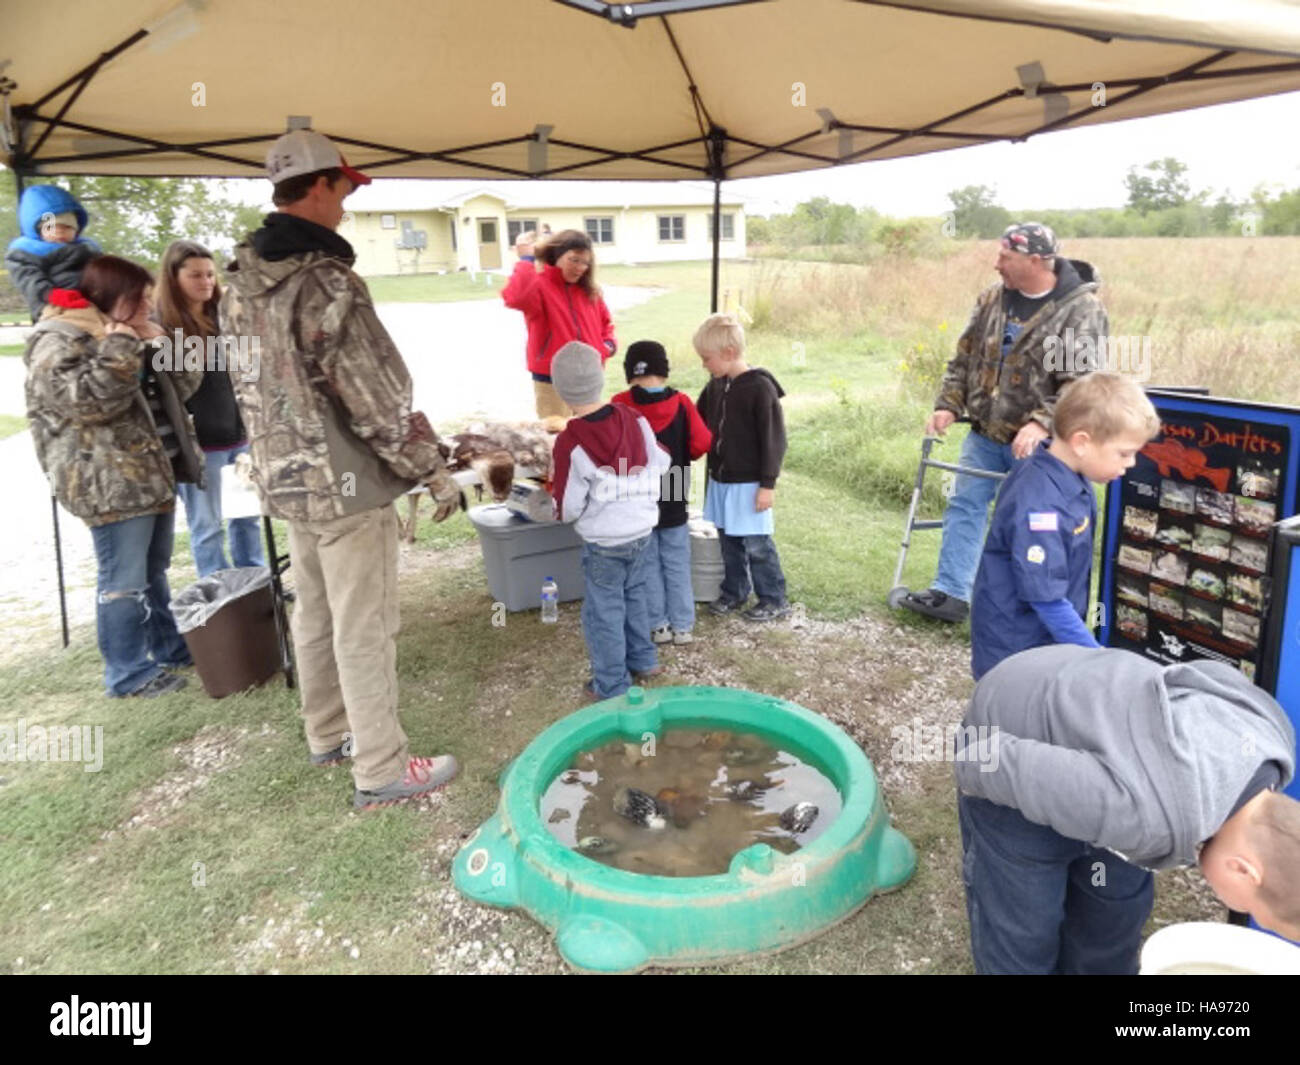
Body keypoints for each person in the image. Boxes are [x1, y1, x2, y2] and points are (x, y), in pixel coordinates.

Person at [221, 129, 462, 810]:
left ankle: (327, 732)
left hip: (287, 480)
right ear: (320, 185)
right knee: (364, 623)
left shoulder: (241, 277)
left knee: (316, 611)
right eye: (346, 188)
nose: (349, 203)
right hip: (347, 485)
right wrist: (430, 467)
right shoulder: (325, 279)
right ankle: (382, 767)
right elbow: (376, 396)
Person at [954, 643, 1300, 974]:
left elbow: (1210, 674)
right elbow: (986, 759)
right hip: (1015, 725)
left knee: (1112, 915)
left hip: (1110, 784)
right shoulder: (1142, 817)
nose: (1237, 908)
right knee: (1024, 928)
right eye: (1249, 909)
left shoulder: (1274, 737)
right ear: (1244, 871)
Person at [901, 222, 1107, 623]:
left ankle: (1037, 608)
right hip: (984, 433)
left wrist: (1042, 423)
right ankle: (951, 593)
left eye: (1005, 257)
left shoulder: (1079, 309)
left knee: (1036, 523)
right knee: (965, 505)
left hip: (1041, 445)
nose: (996, 264)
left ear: (1035, 260)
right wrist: (949, 404)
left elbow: (1080, 382)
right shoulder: (993, 299)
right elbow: (964, 356)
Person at [24, 255, 204, 697]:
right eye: (136, 298)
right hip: (109, 483)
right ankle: (127, 674)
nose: (147, 305)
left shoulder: (127, 332)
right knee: (122, 581)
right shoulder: (59, 341)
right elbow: (90, 403)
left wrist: (161, 345)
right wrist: (123, 346)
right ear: (105, 297)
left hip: (151, 472)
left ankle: (169, 649)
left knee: (154, 571)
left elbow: (184, 387)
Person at [970, 373, 1159, 680]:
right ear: (1082, 442)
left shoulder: (1068, 476)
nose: (1131, 464)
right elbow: (1046, 599)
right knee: (1008, 726)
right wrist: (1094, 658)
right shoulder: (1040, 503)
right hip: (1017, 653)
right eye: (1124, 453)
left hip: (1044, 644)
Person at [549, 341, 671, 701]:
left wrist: (554, 505)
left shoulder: (570, 441)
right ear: (601, 377)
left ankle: (612, 684)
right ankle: (644, 659)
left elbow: (568, 507)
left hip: (604, 543)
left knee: (604, 611)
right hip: (641, 531)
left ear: (559, 389)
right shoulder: (635, 419)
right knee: (635, 597)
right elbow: (661, 462)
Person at [155, 239, 267, 577]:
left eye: (209, 275)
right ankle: (220, 595)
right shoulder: (164, 328)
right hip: (199, 446)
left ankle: (255, 586)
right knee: (207, 526)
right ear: (174, 278)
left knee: (247, 518)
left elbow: (252, 373)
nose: (205, 282)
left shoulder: (228, 317)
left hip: (239, 438)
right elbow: (172, 391)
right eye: (195, 276)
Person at [611, 340, 712, 646]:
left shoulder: (620, 403)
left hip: (637, 494)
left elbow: (613, 450)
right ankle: (683, 626)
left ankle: (659, 625)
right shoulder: (682, 402)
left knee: (649, 563)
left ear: (630, 373)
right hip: (674, 487)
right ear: (664, 372)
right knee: (677, 561)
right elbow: (702, 443)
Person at [694, 313, 790, 622]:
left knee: (756, 545)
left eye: (706, 358)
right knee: (728, 541)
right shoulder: (715, 387)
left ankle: (774, 599)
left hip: (749, 484)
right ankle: (735, 592)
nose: (704, 364)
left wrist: (767, 484)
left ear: (729, 353)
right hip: (721, 481)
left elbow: (774, 439)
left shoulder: (760, 389)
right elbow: (698, 421)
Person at [502, 228, 616, 420]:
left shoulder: (590, 291)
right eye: (574, 260)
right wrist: (526, 260)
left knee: (590, 435)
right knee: (556, 437)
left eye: (585, 263)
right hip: (551, 378)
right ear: (557, 255)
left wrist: (607, 347)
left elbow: (606, 325)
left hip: (588, 376)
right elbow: (516, 297)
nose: (580, 267)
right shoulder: (539, 285)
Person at [5, 184, 101, 322]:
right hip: (55, 306)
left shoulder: (88, 249)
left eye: (67, 227)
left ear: (77, 230)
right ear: (37, 230)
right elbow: (28, 279)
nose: (60, 231)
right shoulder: (26, 252)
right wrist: (50, 294)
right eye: (52, 227)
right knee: (88, 328)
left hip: (93, 300)